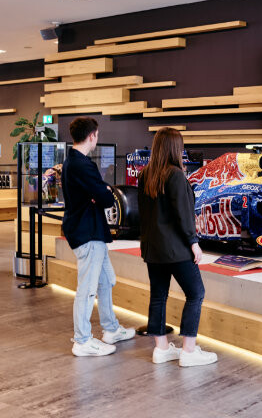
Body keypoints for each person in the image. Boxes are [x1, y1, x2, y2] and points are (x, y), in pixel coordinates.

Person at [138, 127, 217, 367]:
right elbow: (184, 216)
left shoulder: (145, 175)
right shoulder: (175, 176)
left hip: (153, 249)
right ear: (175, 148)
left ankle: (161, 348)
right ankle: (189, 351)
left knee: (158, 295)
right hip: (176, 249)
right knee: (196, 293)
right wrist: (194, 244)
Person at [62, 117, 135, 356]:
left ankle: (111, 328)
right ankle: (82, 340)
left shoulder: (73, 161)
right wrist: (101, 192)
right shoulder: (82, 164)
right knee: (88, 287)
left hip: (92, 232)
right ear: (92, 135)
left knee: (106, 281)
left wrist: (100, 192)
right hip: (87, 233)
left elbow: (101, 193)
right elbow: (105, 197)